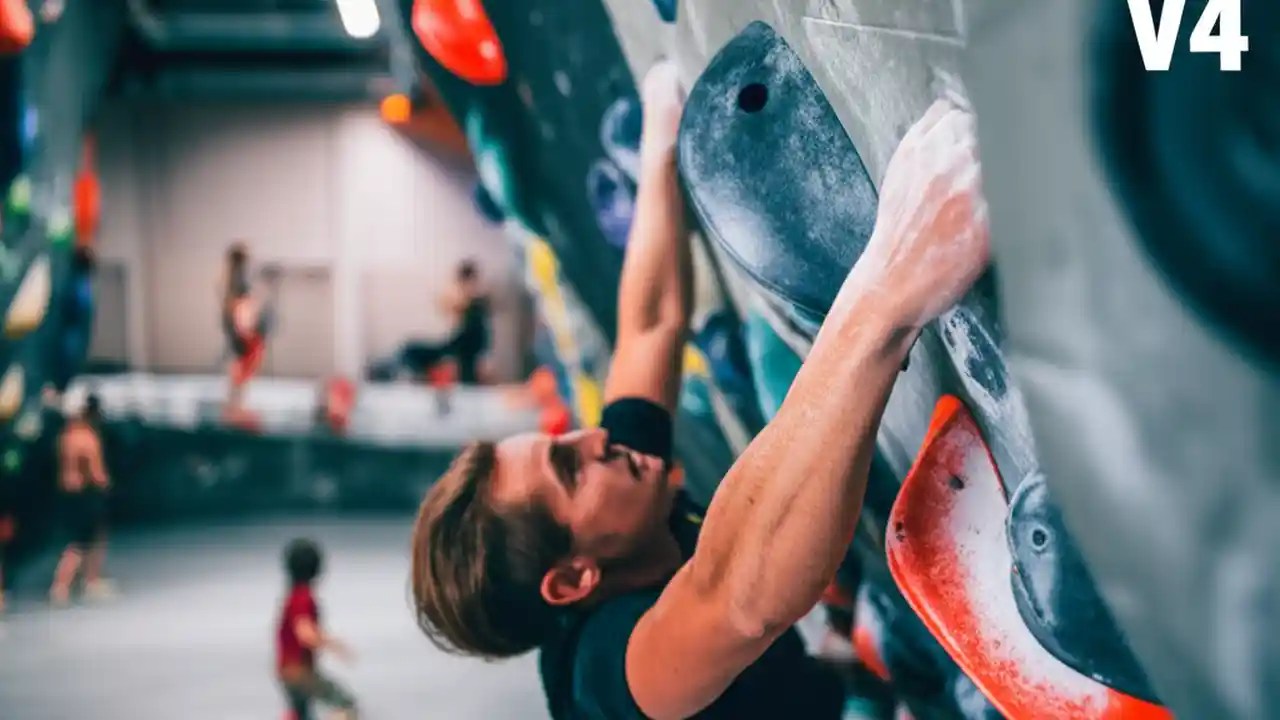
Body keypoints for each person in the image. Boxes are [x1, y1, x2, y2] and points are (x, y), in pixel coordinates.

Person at [410, 55, 989, 720]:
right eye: (569, 467)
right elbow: (738, 597)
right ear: (574, 580)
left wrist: (659, 147)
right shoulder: (608, 672)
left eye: (562, 442)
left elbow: (650, 324)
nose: (595, 437)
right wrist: (894, 282)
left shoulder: (620, 497)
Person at [276, 538, 358, 720]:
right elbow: (305, 633)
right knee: (345, 704)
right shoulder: (303, 597)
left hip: (286, 670)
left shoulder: (293, 595)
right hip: (298, 671)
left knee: (301, 713)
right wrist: (335, 645)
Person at [50, 392, 113, 605]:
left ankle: (86, 581)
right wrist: (104, 483)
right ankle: (64, 586)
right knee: (84, 541)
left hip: (68, 492)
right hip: (87, 493)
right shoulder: (87, 437)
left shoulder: (66, 436)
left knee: (86, 539)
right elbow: (96, 472)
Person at [221, 242, 266, 420]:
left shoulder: (237, 292)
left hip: (242, 334)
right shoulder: (238, 296)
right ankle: (236, 404)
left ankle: (236, 403)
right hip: (242, 335)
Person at [440, 260, 491, 385]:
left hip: (475, 352)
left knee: (473, 382)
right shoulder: (462, 302)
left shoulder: (479, 303)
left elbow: (483, 337)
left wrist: (486, 360)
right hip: (463, 351)